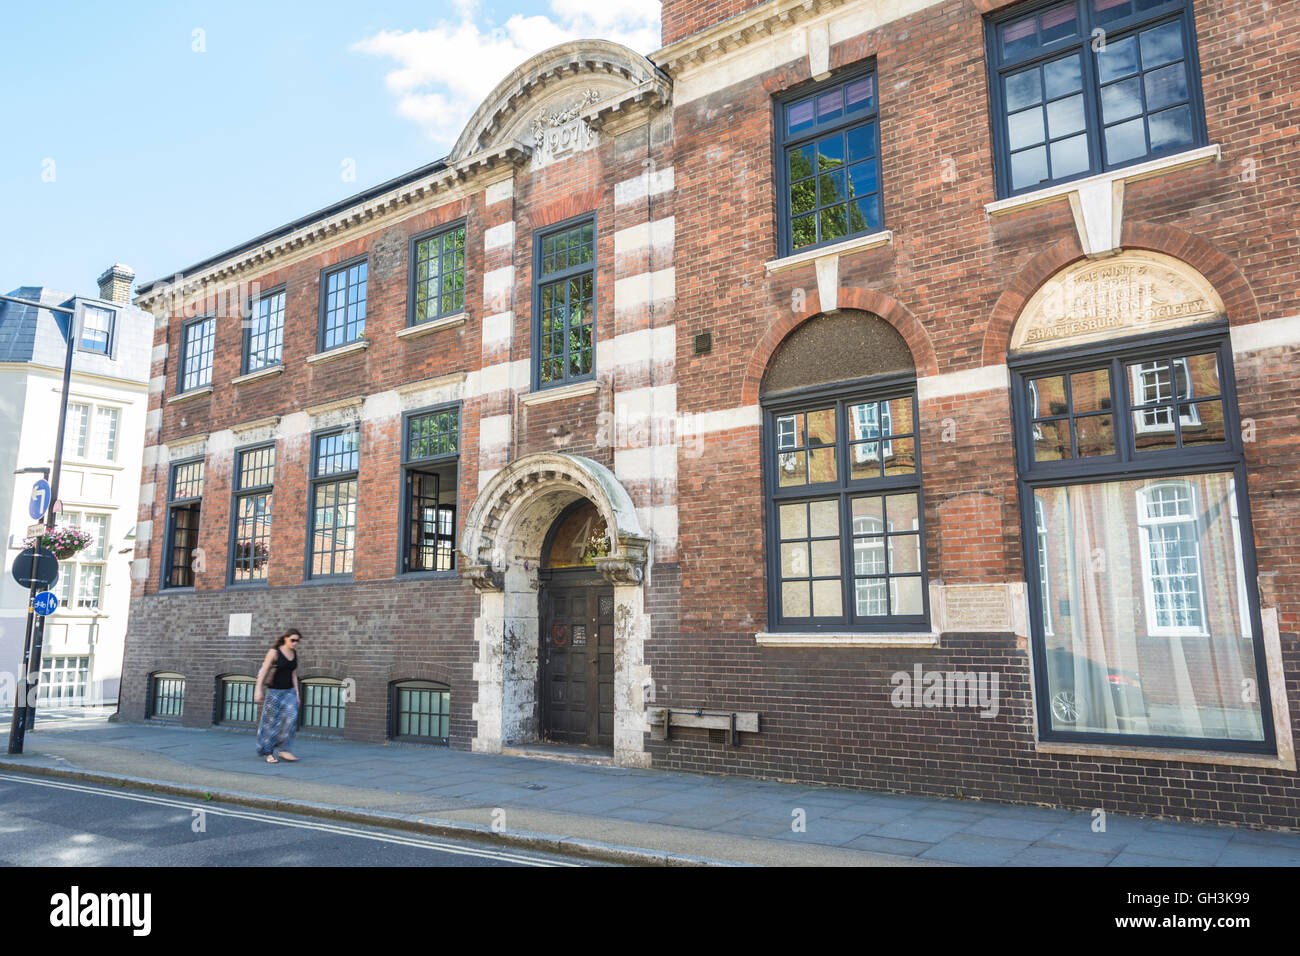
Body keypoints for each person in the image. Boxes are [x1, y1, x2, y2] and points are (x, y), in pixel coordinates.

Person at [254, 628, 301, 763]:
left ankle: (284, 749)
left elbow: (293, 674)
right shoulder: (274, 652)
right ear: (285, 638)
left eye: (297, 641)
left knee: (291, 717)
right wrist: (258, 689)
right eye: (293, 640)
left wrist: (297, 694)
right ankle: (268, 752)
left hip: (289, 691)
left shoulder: (294, 653)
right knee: (270, 722)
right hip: (274, 691)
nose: (295, 643)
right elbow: (263, 671)